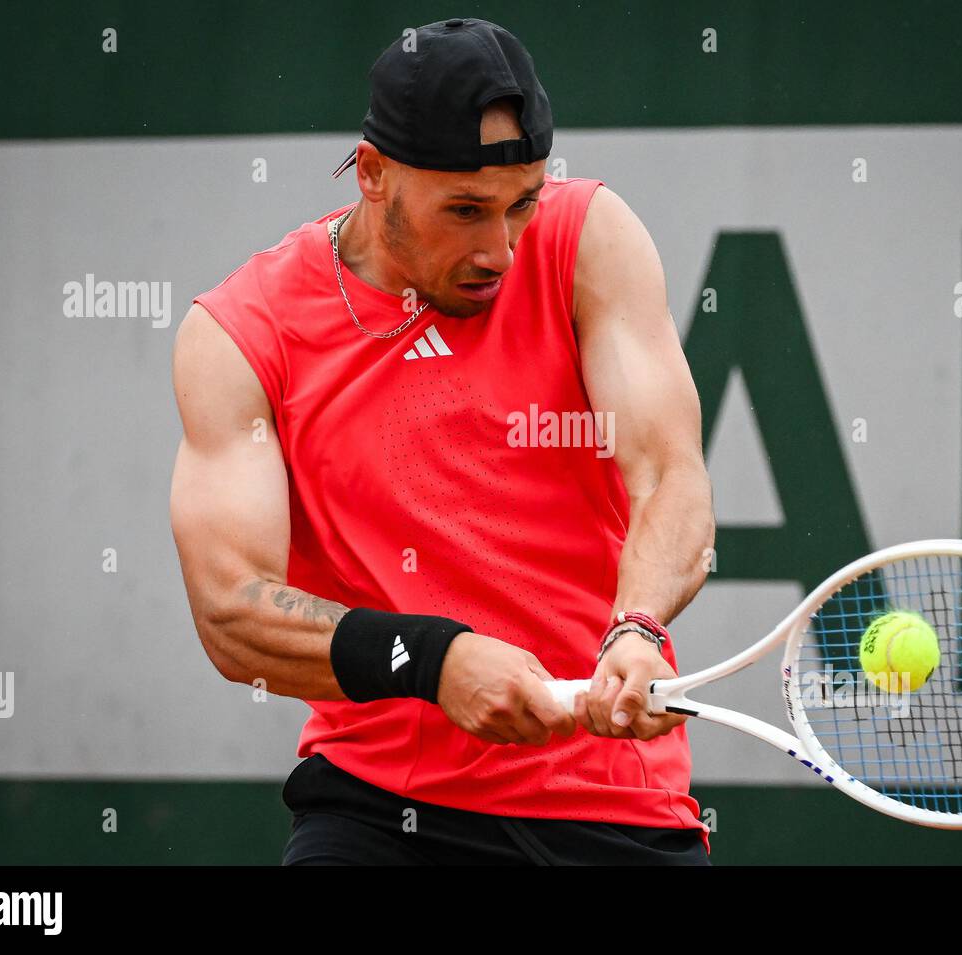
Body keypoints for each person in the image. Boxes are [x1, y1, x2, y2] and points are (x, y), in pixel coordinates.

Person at [169, 17, 715, 865]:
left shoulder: (588, 240)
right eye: (465, 211)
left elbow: (670, 478)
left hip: (618, 808)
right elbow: (232, 613)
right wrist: (431, 660)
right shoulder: (244, 333)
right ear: (375, 174)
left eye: (522, 204)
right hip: (379, 812)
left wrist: (635, 627)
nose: (500, 250)